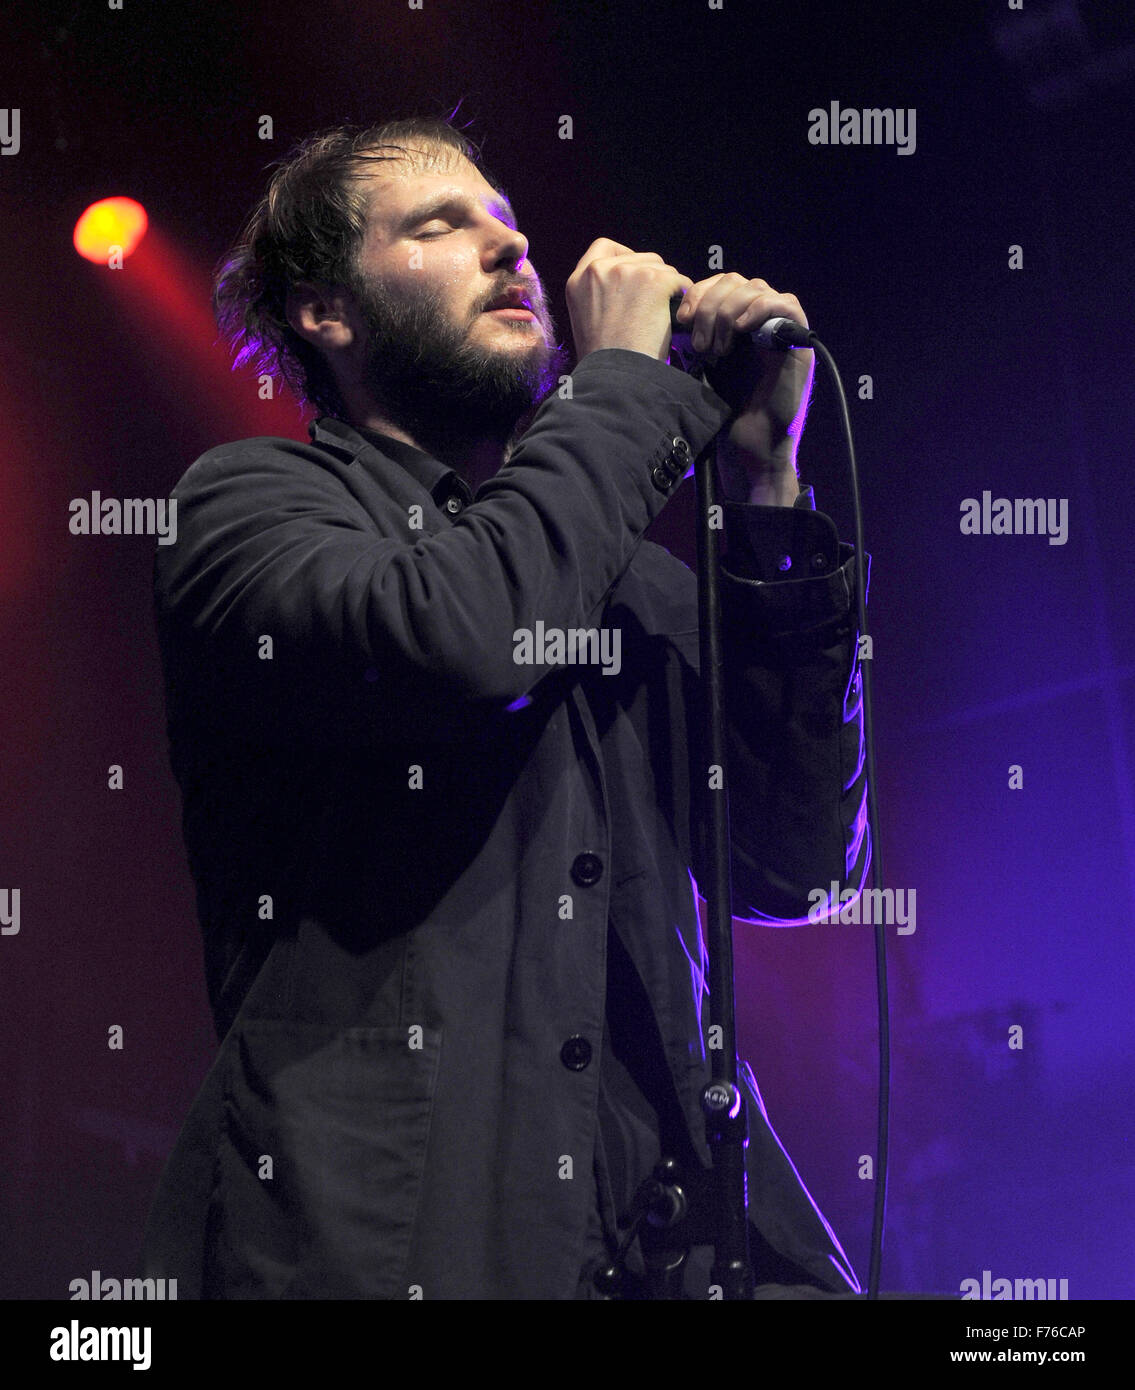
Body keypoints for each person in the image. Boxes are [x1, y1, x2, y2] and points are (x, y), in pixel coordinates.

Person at [141, 117, 868, 1300]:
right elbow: (471, 635)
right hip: (405, 1252)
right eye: (440, 225)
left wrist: (765, 484)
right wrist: (628, 387)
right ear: (325, 310)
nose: (510, 246)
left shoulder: (627, 584)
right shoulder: (242, 512)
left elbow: (794, 866)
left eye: (508, 224)